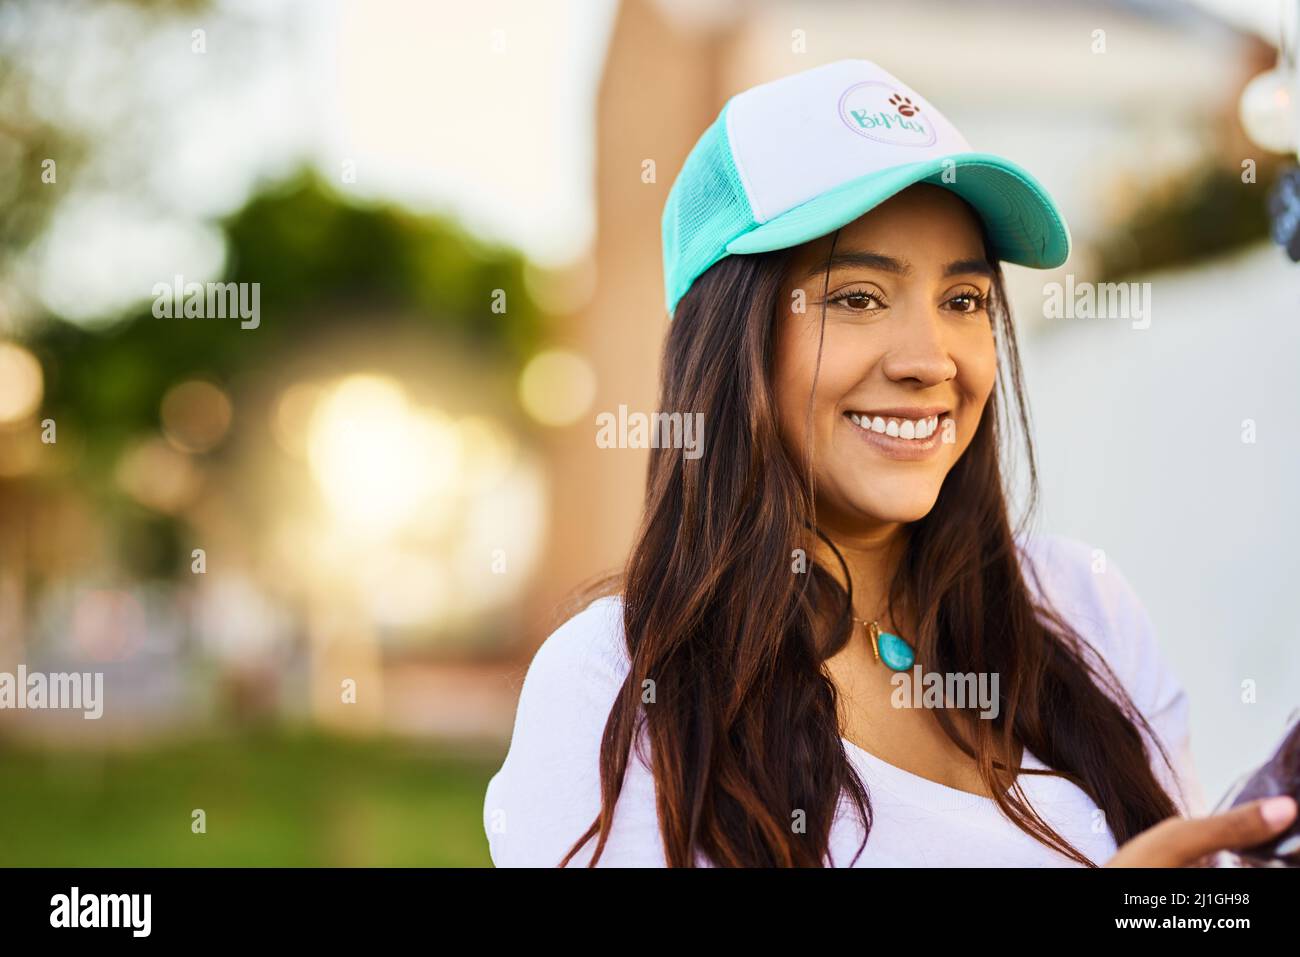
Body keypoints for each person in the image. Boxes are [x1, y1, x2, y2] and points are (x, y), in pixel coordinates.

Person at [482, 58, 1297, 867]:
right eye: (858, 298)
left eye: (964, 300)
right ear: (732, 340)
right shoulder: (618, 686)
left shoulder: (1087, 612)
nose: (930, 360)